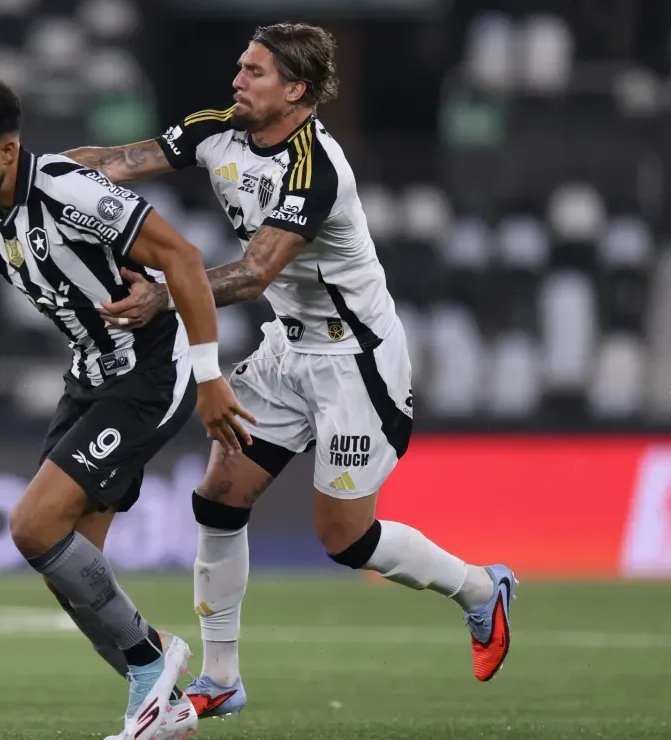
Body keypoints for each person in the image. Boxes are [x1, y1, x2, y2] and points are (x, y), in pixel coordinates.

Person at [62, 22, 517, 720]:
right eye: (240, 68)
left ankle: (481, 590)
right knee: (217, 495)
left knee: (346, 540)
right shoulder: (217, 129)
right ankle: (221, 677)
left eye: (255, 72)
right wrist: (34, 175)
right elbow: (120, 160)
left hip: (354, 361)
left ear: (296, 90)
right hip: (288, 349)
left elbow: (252, 271)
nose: (237, 81)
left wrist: (163, 294)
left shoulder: (316, 168)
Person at [0, 77, 256, 740]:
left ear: (9, 150)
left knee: (31, 525)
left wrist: (210, 376)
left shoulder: (70, 191)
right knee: (69, 572)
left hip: (149, 373)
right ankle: (165, 707)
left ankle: (152, 664)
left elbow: (183, 259)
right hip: (87, 381)